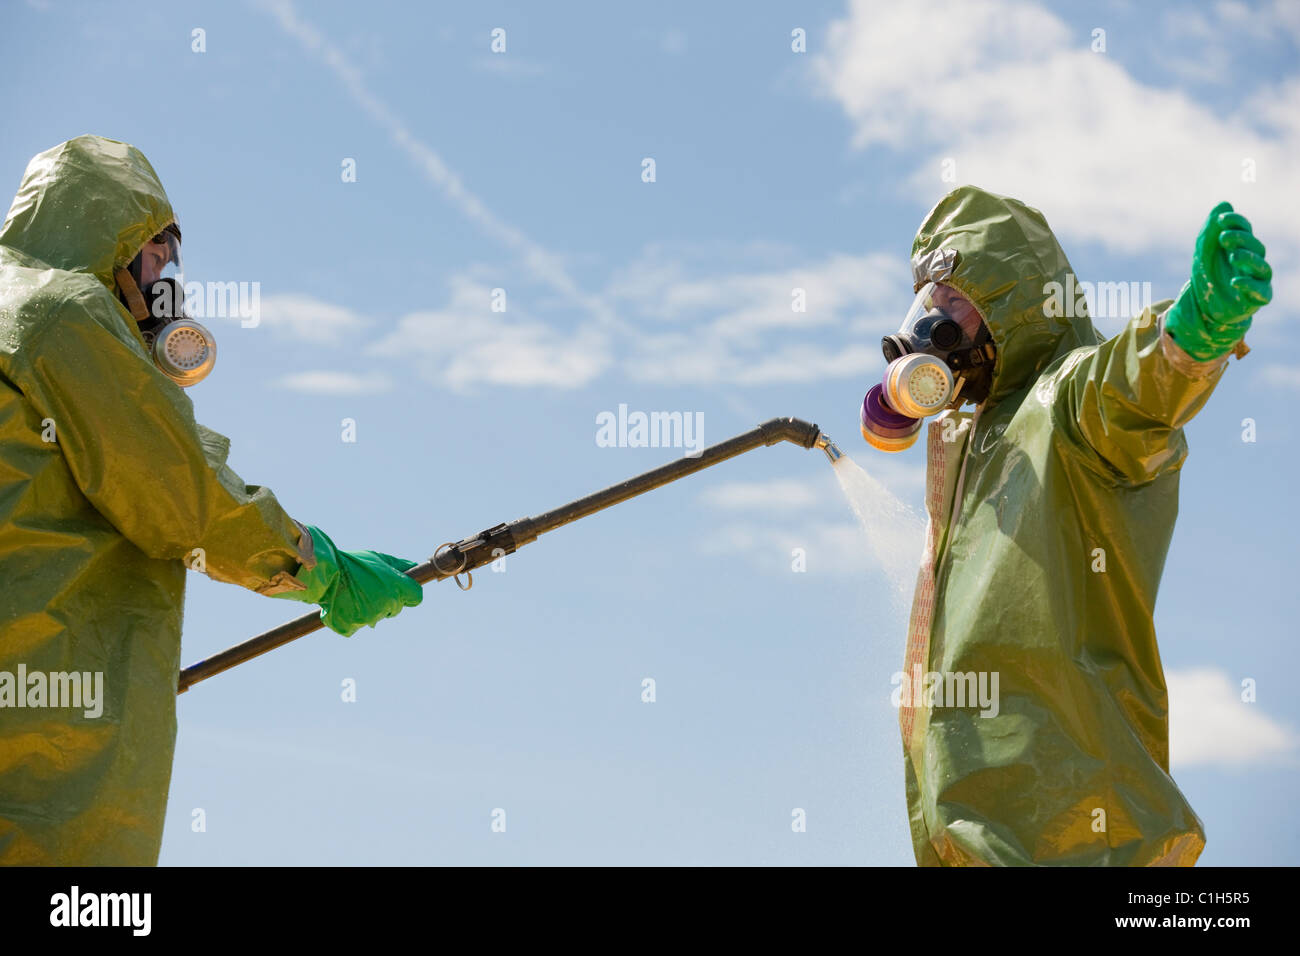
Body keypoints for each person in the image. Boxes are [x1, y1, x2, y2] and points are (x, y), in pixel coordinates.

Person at [0, 135, 424, 865]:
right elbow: (180, 495)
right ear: (111, 232)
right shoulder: (64, 312)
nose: (168, 276)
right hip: (49, 713)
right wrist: (315, 566)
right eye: (158, 253)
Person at [863, 185, 1271, 865]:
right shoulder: (973, 450)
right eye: (928, 304)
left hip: (1080, 840)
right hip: (978, 845)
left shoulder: (1065, 408)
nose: (935, 324)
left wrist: (1191, 334)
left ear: (1013, 301)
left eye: (956, 300)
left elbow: (1128, 389)